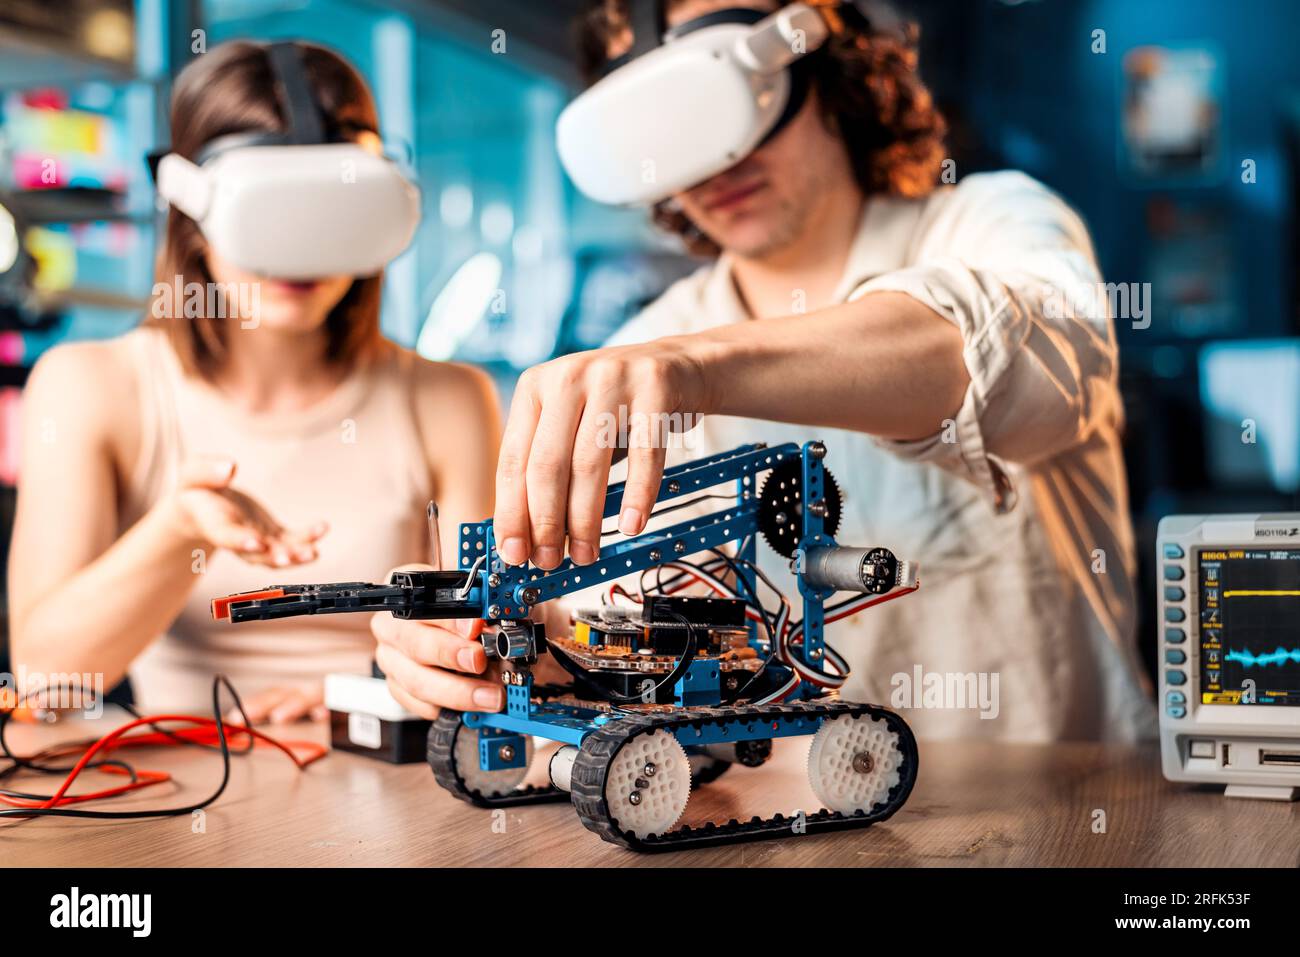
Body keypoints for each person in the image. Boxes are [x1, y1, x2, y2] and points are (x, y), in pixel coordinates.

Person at [380, 0, 1157, 742]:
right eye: (666, 127)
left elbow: (1017, 360)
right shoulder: (651, 347)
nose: (717, 160)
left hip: (1066, 807)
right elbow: (616, 623)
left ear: (828, 71)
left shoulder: (992, 221)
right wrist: (486, 639)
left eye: (729, 98)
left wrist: (702, 368)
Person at [7, 40, 502, 722]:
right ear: (192, 211)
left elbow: (496, 645)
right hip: (183, 794)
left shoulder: (449, 399)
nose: (296, 253)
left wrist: (353, 695)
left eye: (326, 211)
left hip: (394, 780)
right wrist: (177, 531)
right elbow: (45, 677)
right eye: (268, 213)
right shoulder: (93, 386)